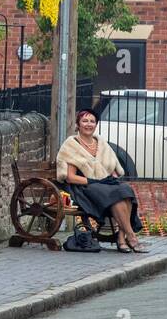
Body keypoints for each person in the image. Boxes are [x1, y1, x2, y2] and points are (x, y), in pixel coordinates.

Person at [57, 108, 147, 252]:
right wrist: (93, 181)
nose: (88, 124)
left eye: (92, 121)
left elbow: (112, 168)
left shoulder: (102, 144)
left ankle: (121, 238)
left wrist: (112, 180)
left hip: (103, 184)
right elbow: (70, 177)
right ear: (78, 125)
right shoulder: (71, 145)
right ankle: (131, 237)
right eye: (85, 121)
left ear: (96, 125)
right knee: (115, 195)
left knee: (125, 190)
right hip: (83, 188)